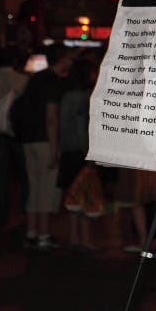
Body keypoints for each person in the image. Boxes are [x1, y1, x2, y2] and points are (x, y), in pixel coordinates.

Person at [17, 44, 76, 250]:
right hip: (44, 141)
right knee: (46, 189)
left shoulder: (36, 78)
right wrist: (54, 148)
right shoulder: (53, 83)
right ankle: (43, 234)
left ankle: (31, 232)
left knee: (34, 187)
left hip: (28, 140)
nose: (71, 61)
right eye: (68, 57)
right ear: (62, 59)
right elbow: (51, 118)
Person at [0, 46, 29, 228]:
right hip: (18, 133)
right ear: (15, 61)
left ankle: (1, 215)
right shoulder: (23, 80)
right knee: (25, 175)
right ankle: (26, 210)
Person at [58, 58, 101, 251]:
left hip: (69, 151)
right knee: (86, 194)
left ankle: (74, 236)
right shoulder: (84, 98)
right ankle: (85, 239)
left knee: (73, 196)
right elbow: (83, 128)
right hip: (81, 152)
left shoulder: (68, 96)